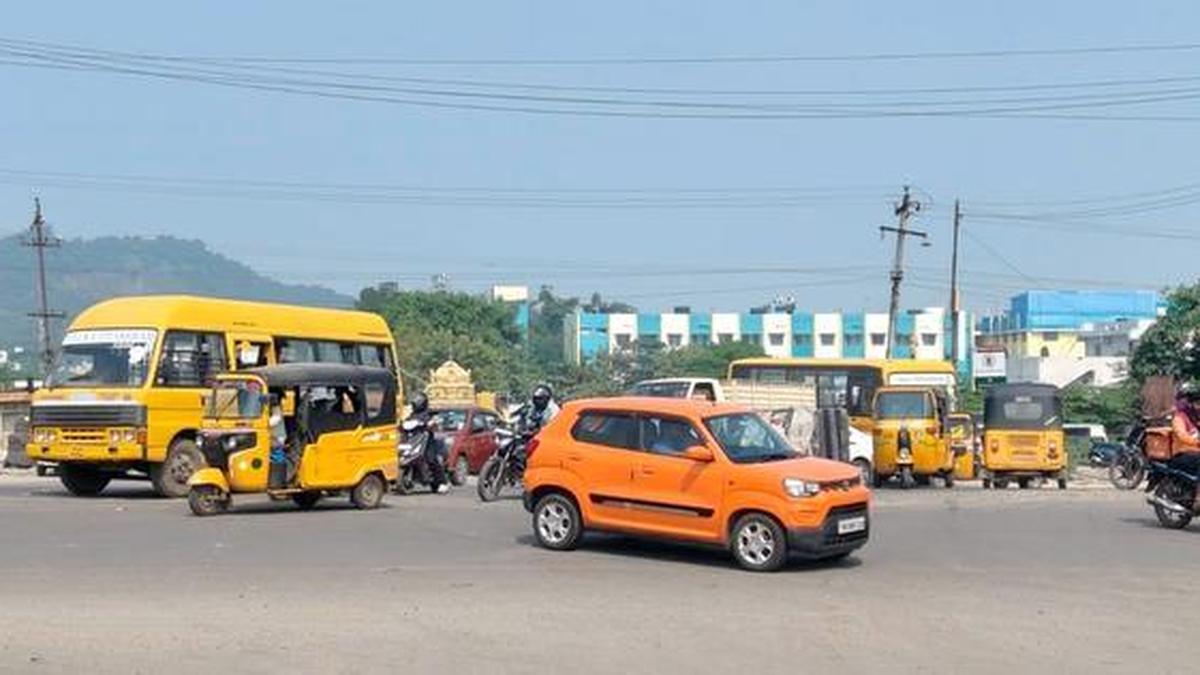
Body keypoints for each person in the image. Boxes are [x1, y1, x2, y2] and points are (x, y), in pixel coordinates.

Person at [407, 391, 449, 493]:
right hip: (413, 440)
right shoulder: (412, 415)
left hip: (427, 441)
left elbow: (436, 421)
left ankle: (442, 482)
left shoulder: (429, 413)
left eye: (417, 402)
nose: (415, 404)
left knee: (431, 459)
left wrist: (432, 423)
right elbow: (406, 423)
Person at [1171, 383, 1200, 454]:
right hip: (1184, 452)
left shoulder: (1195, 416)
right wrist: (1197, 442)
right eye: (1197, 403)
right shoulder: (1179, 418)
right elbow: (1182, 437)